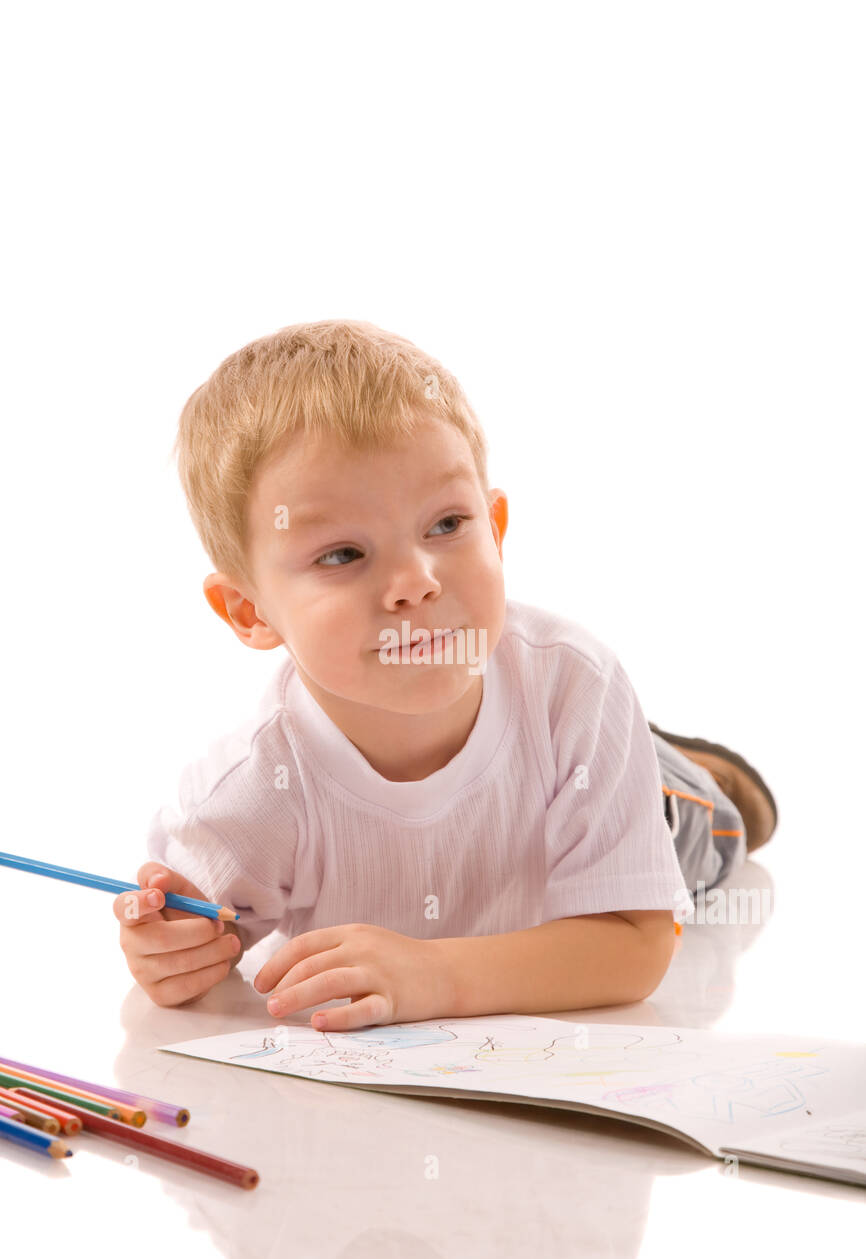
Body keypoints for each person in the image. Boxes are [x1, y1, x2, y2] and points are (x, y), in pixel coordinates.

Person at [113, 320, 777, 1028]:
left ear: (495, 529)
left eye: (446, 525)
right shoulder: (250, 792)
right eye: (342, 555)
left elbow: (636, 946)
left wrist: (434, 975)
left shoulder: (577, 688)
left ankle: (676, 771)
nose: (415, 582)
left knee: (714, 835)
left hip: (643, 801)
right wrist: (169, 950)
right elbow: (194, 934)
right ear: (247, 610)